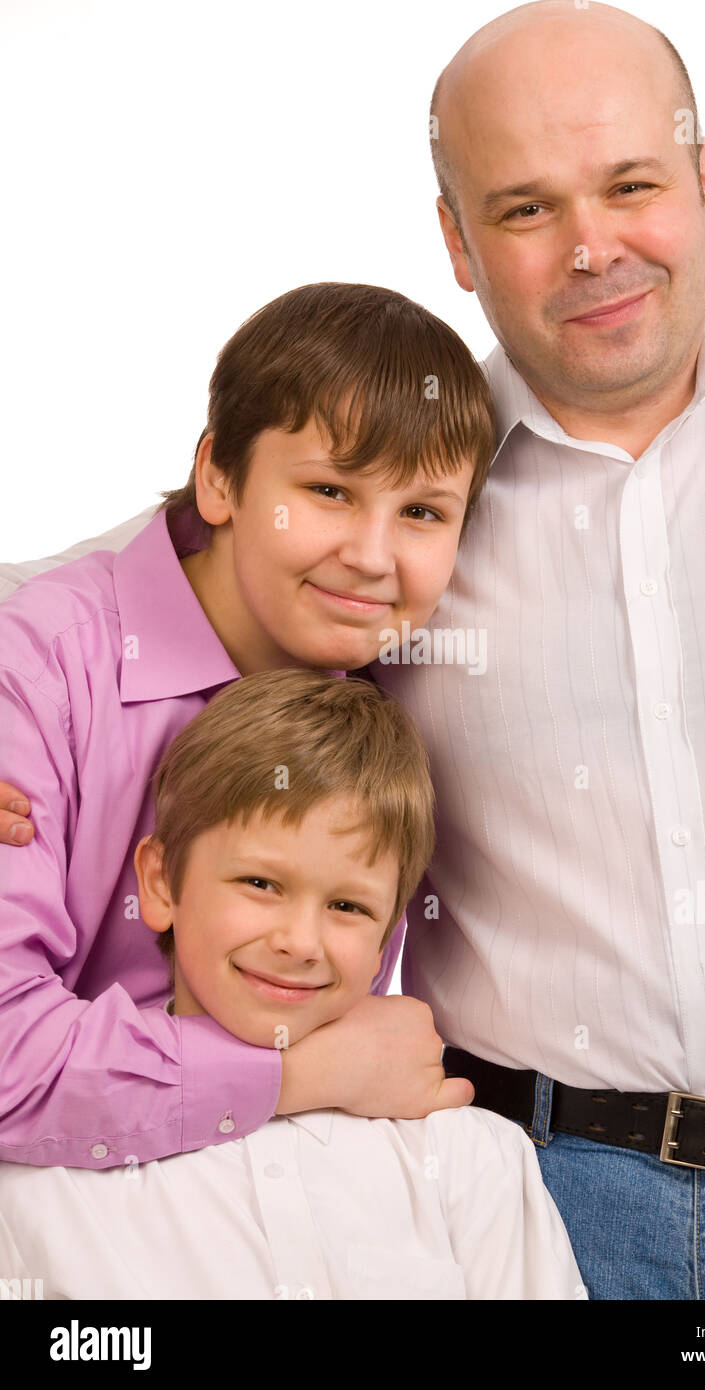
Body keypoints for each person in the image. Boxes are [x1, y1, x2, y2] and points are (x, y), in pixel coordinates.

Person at [0, 3, 705, 1301]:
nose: (592, 248)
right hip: (456, 1196)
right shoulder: (375, 501)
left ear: (704, 181)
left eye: (630, 187)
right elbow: (147, 572)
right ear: (455, 238)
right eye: (523, 208)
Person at [0, 281, 485, 1171]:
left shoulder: (406, 681)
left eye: (421, 512)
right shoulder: (40, 670)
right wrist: (299, 1071)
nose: (373, 558)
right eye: (330, 491)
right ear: (219, 476)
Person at [0, 667, 582, 1299]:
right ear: (163, 883)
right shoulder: (42, 1177)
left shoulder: (474, 1159)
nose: (300, 943)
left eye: (348, 907)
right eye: (260, 884)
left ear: (390, 931)